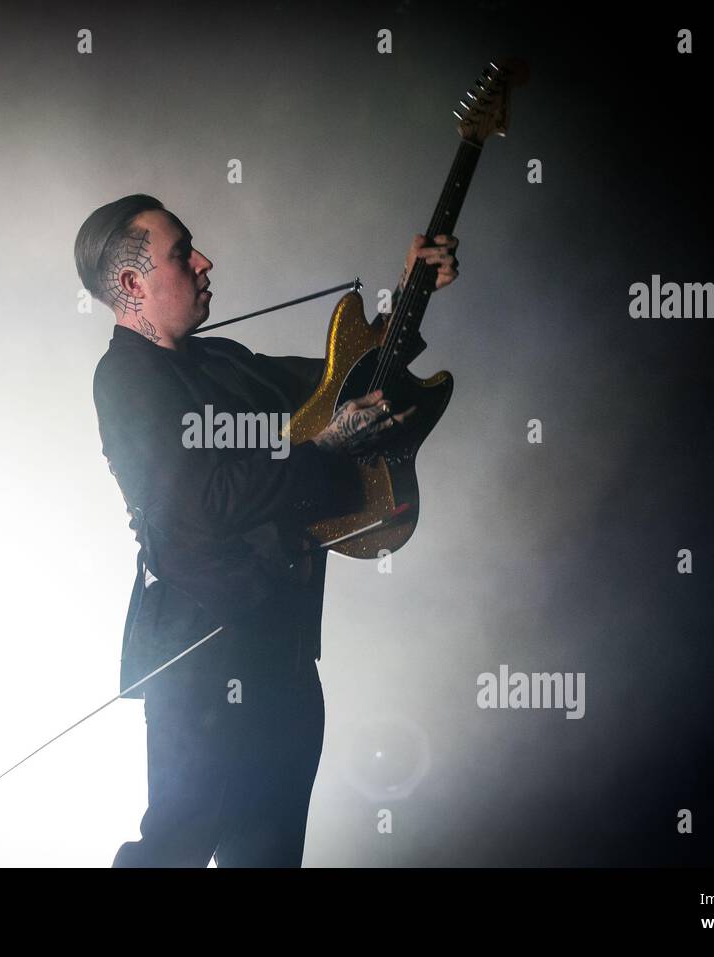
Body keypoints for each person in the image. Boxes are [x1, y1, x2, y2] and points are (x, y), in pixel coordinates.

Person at [75, 194, 458, 866]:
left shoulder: (220, 358)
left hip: (280, 652)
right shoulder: (125, 377)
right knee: (175, 846)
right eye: (181, 251)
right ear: (133, 283)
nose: (203, 261)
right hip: (202, 661)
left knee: (268, 854)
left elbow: (341, 392)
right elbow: (205, 502)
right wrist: (328, 448)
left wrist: (408, 300)